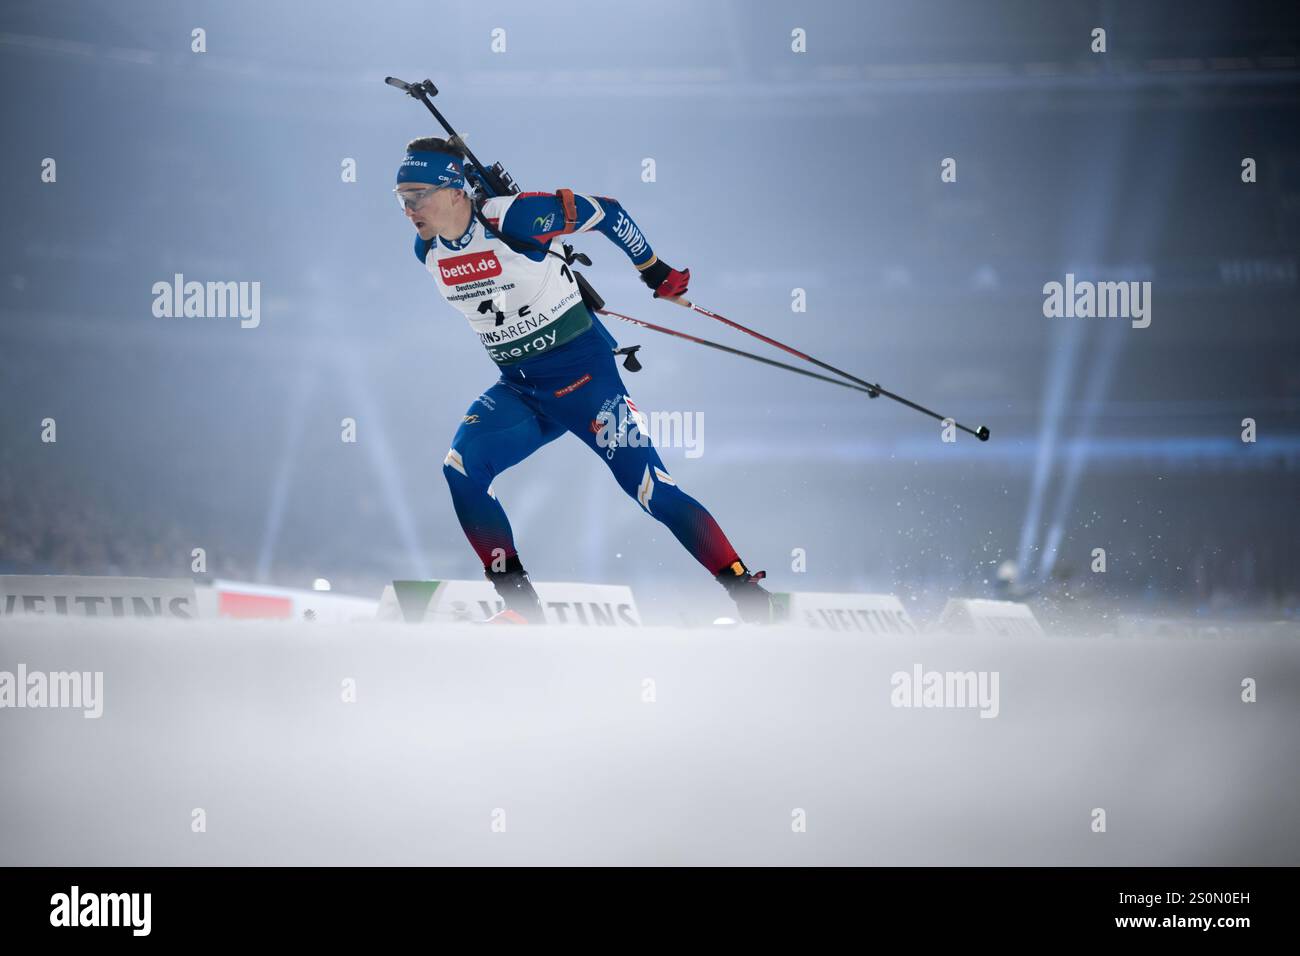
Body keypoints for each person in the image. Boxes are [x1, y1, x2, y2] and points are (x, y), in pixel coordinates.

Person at [396, 136, 771, 624]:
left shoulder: (514, 219)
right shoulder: (425, 247)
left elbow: (608, 213)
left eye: (417, 195)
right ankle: (523, 609)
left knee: (651, 490)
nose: (408, 209)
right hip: (522, 389)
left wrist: (655, 271)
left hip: (587, 383)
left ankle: (750, 596)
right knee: (461, 469)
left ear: (453, 190)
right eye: (400, 198)